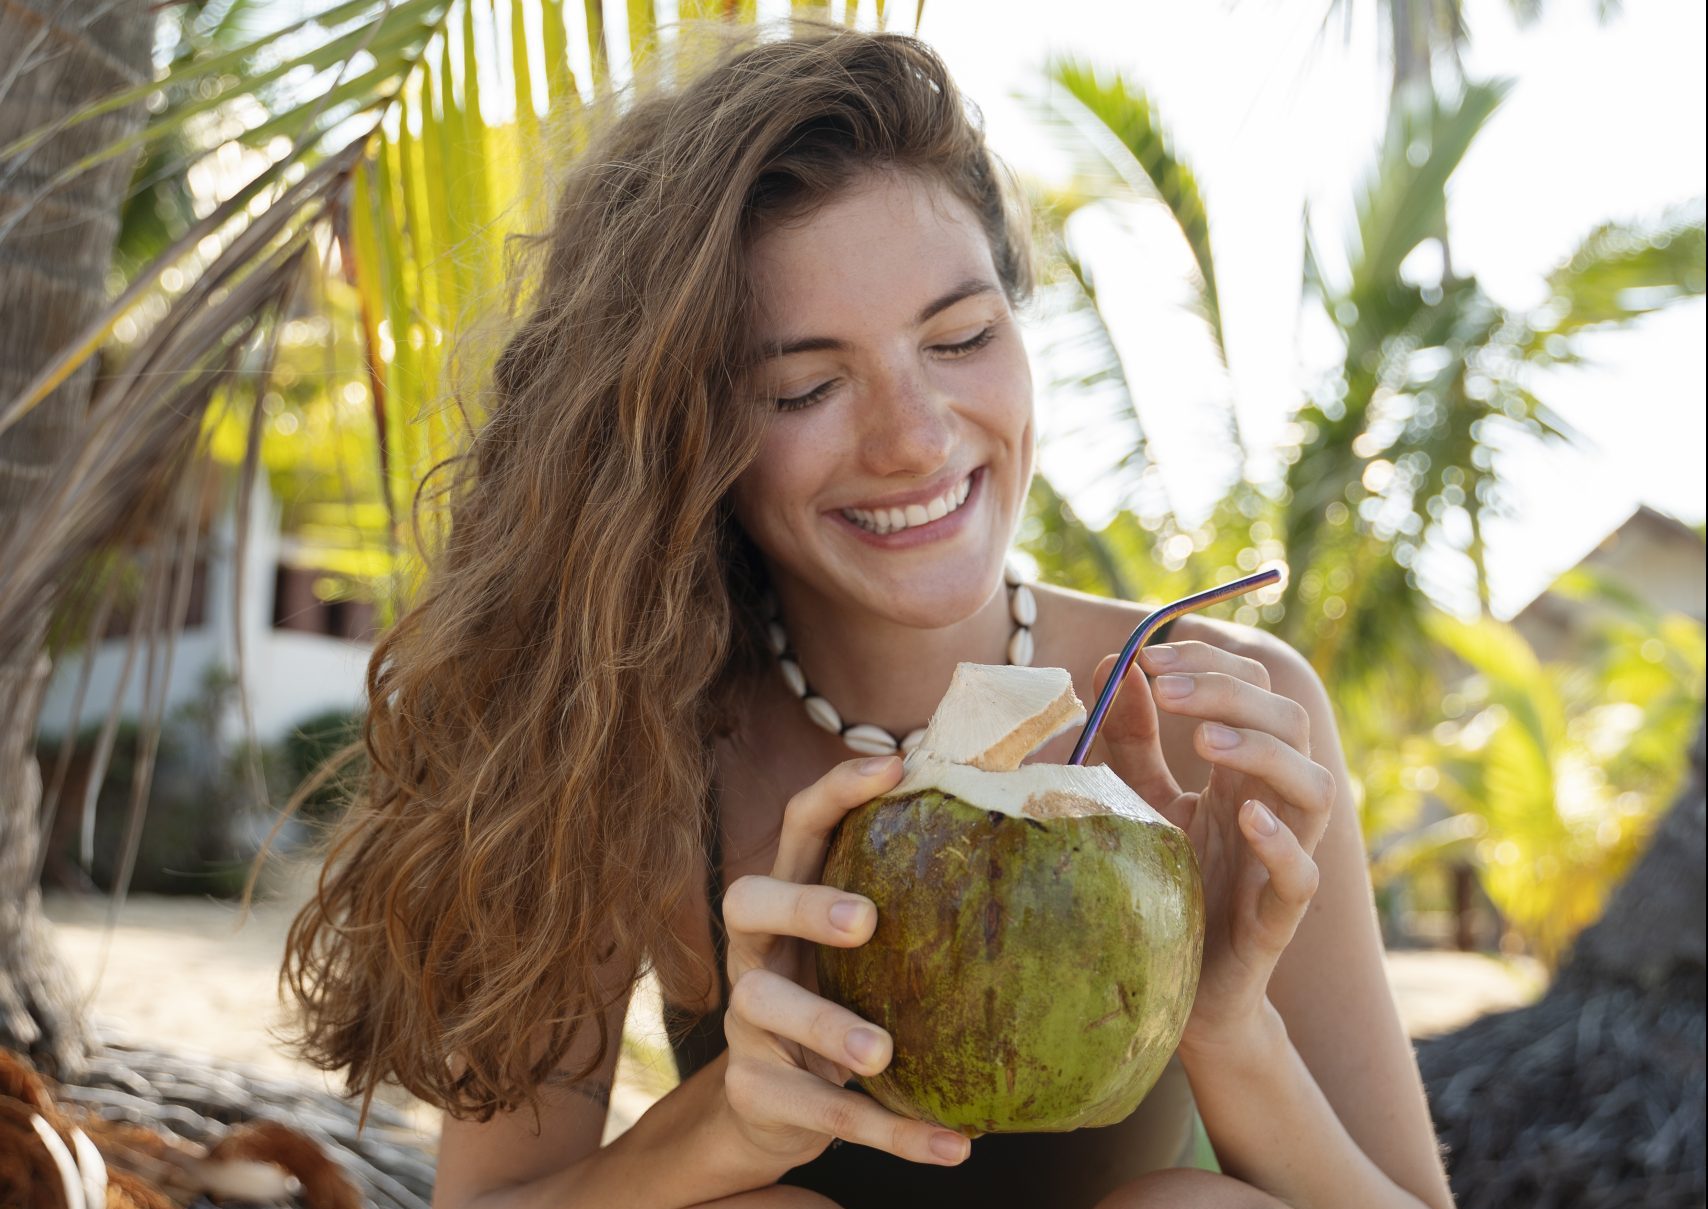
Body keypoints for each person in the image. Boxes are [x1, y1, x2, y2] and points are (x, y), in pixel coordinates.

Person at [280, 25, 1454, 1209]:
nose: (913, 438)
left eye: (960, 339)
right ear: (682, 436)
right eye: (805, 387)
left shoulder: (1224, 717)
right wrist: (724, 1127)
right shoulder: (631, 739)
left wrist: (1221, 1022)